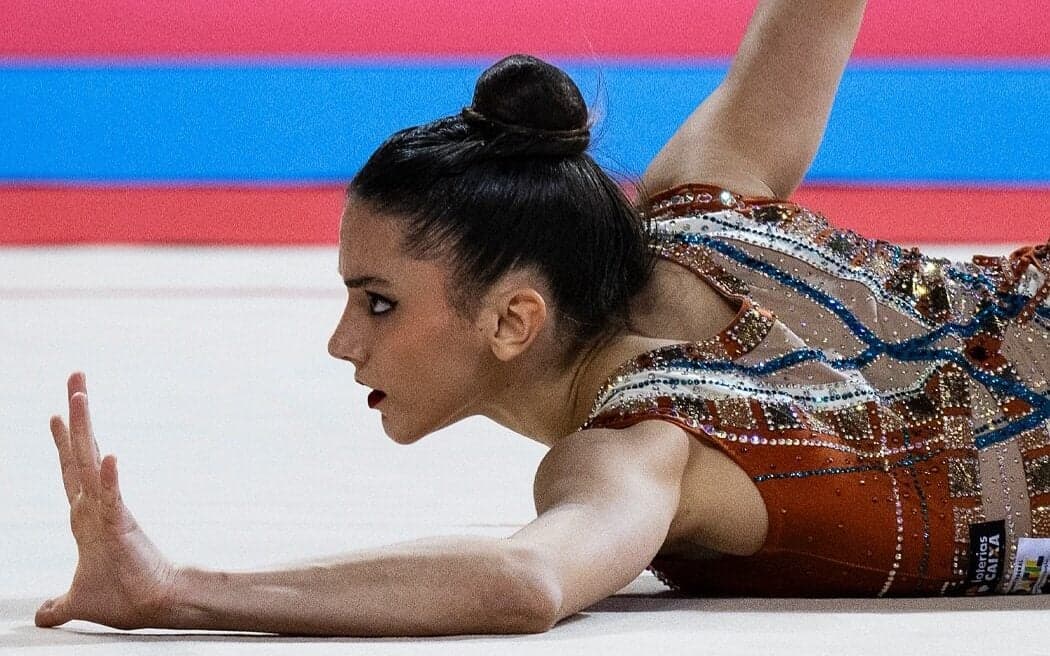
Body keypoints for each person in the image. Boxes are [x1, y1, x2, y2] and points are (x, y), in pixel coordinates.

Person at [35, 0, 1050, 637]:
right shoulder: (704, 193)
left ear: (515, 318)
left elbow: (522, 581)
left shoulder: (640, 445)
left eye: (377, 301)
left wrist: (177, 590)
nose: (344, 341)